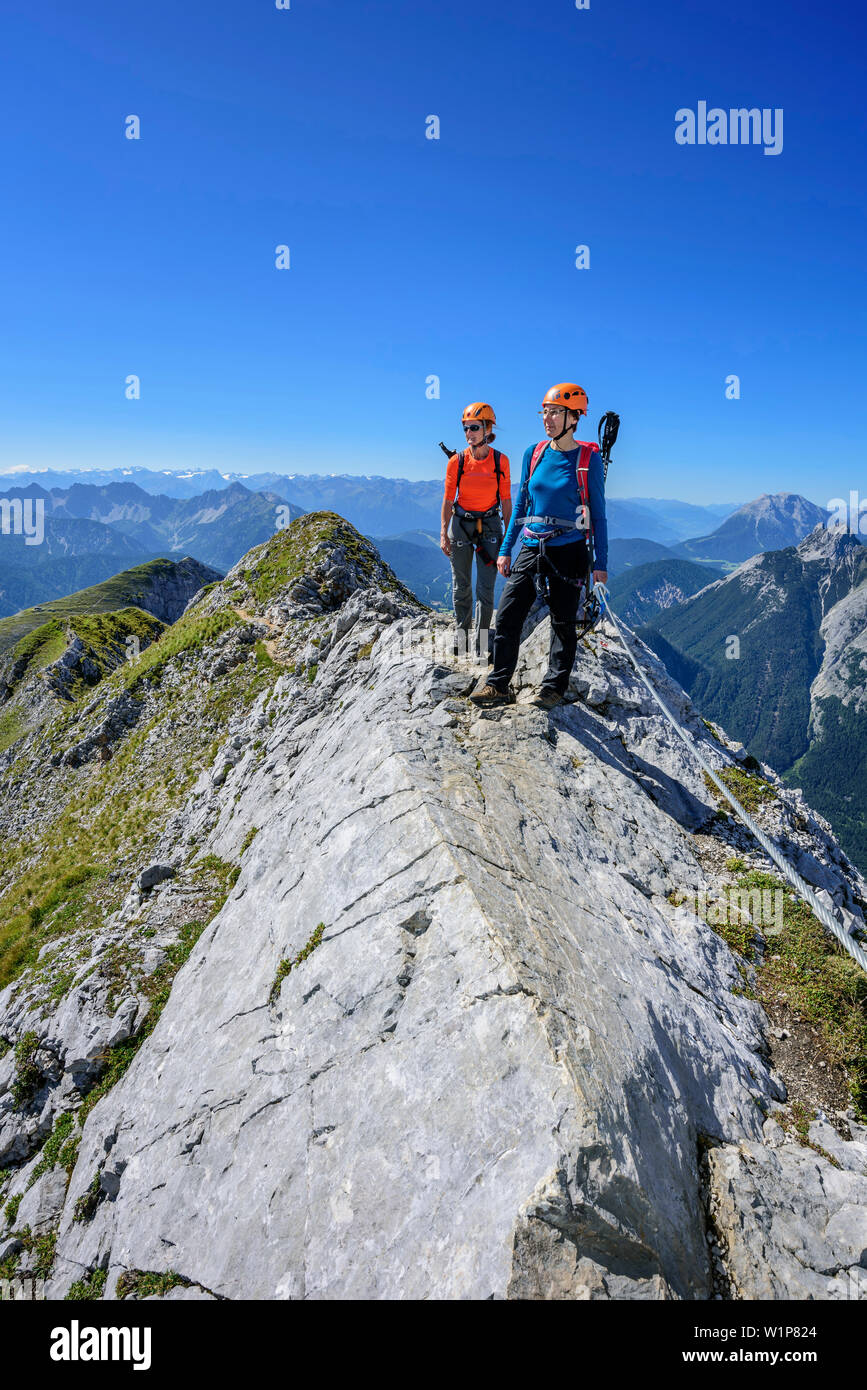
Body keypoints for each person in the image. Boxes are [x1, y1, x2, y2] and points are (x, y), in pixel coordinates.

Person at [470, 382, 608, 709]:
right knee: (507, 616)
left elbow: (599, 517)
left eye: (555, 412)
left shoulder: (588, 460)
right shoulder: (534, 454)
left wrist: (600, 565)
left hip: (569, 548)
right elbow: (521, 505)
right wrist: (506, 549)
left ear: (574, 418)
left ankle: (552, 688)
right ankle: (498, 683)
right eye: (545, 412)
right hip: (532, 546)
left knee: (563, 621)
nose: (547, 418)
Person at [440, 403, 512, 656]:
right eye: (465, 428)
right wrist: (443, 533)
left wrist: (509, 541)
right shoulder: (456, 462)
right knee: (461, 586)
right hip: (461, 525)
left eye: (473, 428)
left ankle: (481, 642)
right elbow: (448, 500)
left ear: (487, 428)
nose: (468, 433)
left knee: (485, 588)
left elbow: (505, 500)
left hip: (490, 525)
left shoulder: (500, 461)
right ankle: (461, 636)